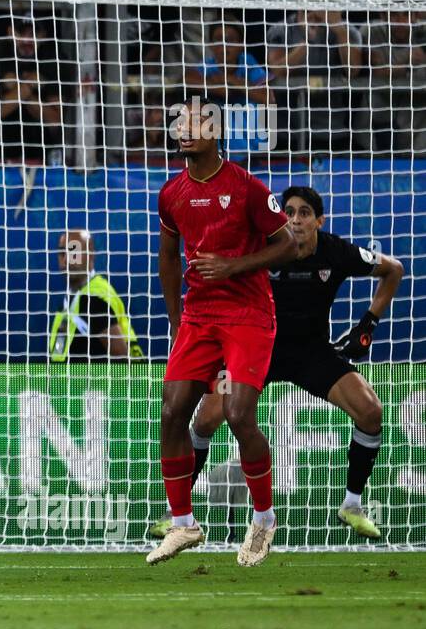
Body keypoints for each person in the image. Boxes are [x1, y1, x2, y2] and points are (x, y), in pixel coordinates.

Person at [148, 186, 403, 542]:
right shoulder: (264, 251)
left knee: (371, 411)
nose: (295, 220)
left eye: (303, 214)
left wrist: (368, 324)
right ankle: (177, 515)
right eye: (289, 213)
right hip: (256, 349)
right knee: (204, 419)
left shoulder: (336, 251)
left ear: (319, 221)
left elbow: (394, 269)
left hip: (312, 353)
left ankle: (352, 504)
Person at [147, 98, 298, 568]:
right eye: (180, 124)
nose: (184, 130)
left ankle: (264, 519)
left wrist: (233, 266)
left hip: (248, 313)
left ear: (216, 133)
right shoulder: (171, 194)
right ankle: (183, 524)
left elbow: (289, 247)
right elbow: (169, 259)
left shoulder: (248, 187)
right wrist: (176, 322)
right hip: (198, 317)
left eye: (195, 123)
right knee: (172, 413)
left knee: (237, 413)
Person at [48, 229, 144, 362]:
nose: (65, 260)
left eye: (73, 252)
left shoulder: (94, 300)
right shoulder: (75, 297)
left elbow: (123, 362)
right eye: (61, 253)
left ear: (90, 255)